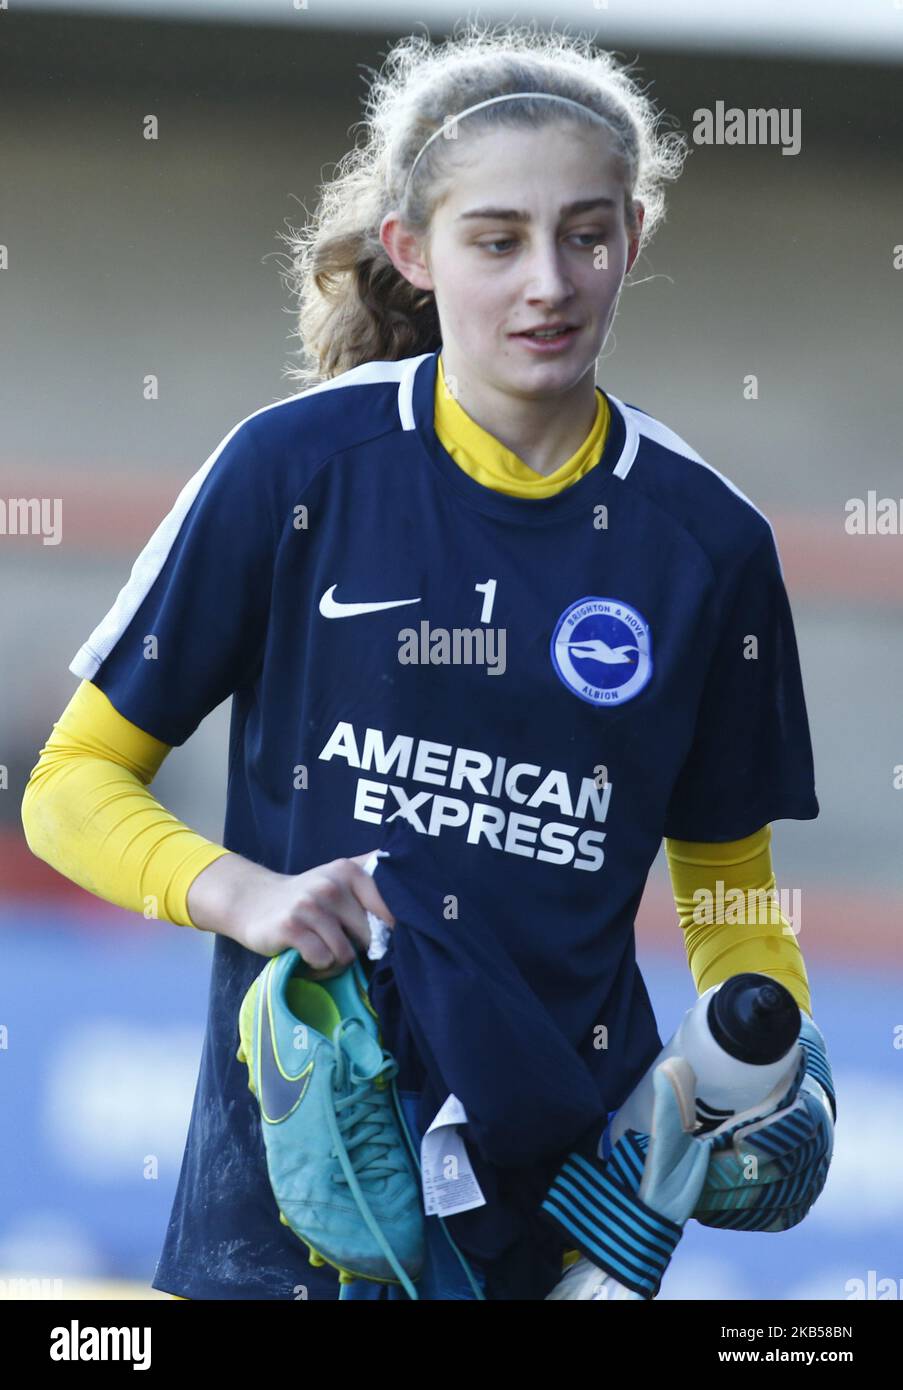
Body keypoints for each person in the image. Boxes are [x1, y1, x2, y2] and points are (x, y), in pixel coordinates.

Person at [21, 20, 834, 1302]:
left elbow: (727, 877)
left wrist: (767, 1042)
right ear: (413, 249)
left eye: (585, 233)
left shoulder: (710, 544)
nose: (548, 284)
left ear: (635, 235)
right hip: (279, 1209)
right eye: (497, 240)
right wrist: (246, 894)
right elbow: (68, 784)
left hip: (566, 1206)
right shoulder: (292, 469)